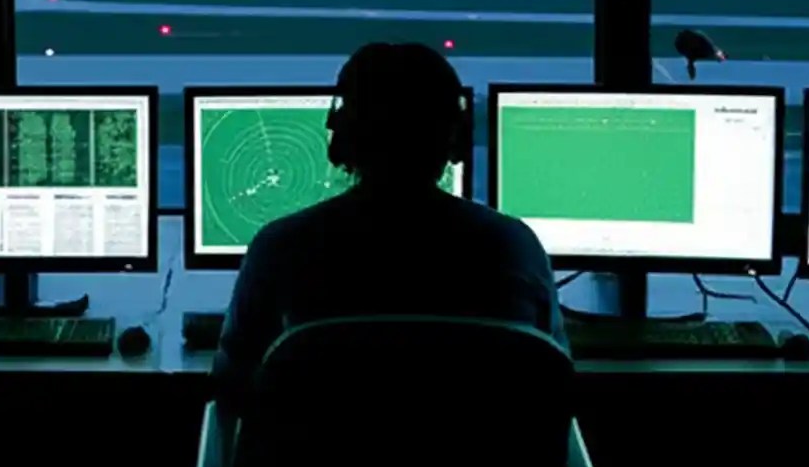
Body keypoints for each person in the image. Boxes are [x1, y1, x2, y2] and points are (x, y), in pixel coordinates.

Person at [211, 42, 567, 410]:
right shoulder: (515, 245)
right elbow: (553, 370)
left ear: (342, 141)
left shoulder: (281, 247)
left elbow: (230, 381)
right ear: (455, 140)